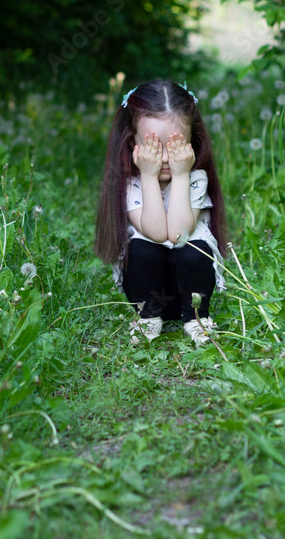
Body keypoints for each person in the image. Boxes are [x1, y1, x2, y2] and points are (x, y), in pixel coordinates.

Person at [94, 79, 229, 345]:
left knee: (192, 249)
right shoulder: (130, 184)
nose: (166, 158)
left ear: (192, 142)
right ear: (132, 141)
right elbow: (156, 233)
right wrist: (147, 175)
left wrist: (180, 177)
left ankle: (197, 320)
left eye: (176, 146)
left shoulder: (195, 179)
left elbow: (178, 234)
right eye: (154, 146)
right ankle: (147, 319)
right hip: (146, 291)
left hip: (190, 291)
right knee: (143, 249)